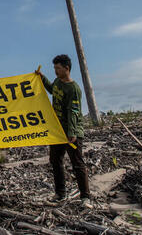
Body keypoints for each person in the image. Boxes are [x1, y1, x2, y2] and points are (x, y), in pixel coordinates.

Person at [36, 54, 91, 204]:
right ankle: (60, 194)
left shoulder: (73, 89)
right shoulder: (57, 82)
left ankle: (85, 197)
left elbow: (73, 111)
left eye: (58, 68)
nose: (55, 71)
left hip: (72, 132)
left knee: (77, 163)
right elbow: (52, 90)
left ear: (67, 69)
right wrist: (41, 78)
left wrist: (72, 133)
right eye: (54, 68)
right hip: (57, 131)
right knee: (55, 160)